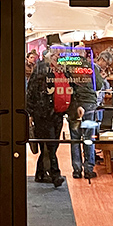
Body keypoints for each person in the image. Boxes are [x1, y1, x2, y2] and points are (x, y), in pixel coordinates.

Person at [25, 48, 70, 187]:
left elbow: (70, 89)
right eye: (57, 56)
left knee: (51, 145)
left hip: (58, 113)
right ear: (50, 57)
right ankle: (55, 174)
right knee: (50, 145)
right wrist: (30, 113)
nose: (59, 59)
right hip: (43, 114)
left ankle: (40, 173)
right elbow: (31, 91)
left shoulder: (64, 72)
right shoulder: (41, 69)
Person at [68, 52, 105, 180]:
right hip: (89, 104)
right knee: (89, 138)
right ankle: (89, 169)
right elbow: (100, 85)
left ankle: (76, 170)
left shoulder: (69, 69)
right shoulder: (91, 67)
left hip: (74, 105)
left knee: (75, 139)